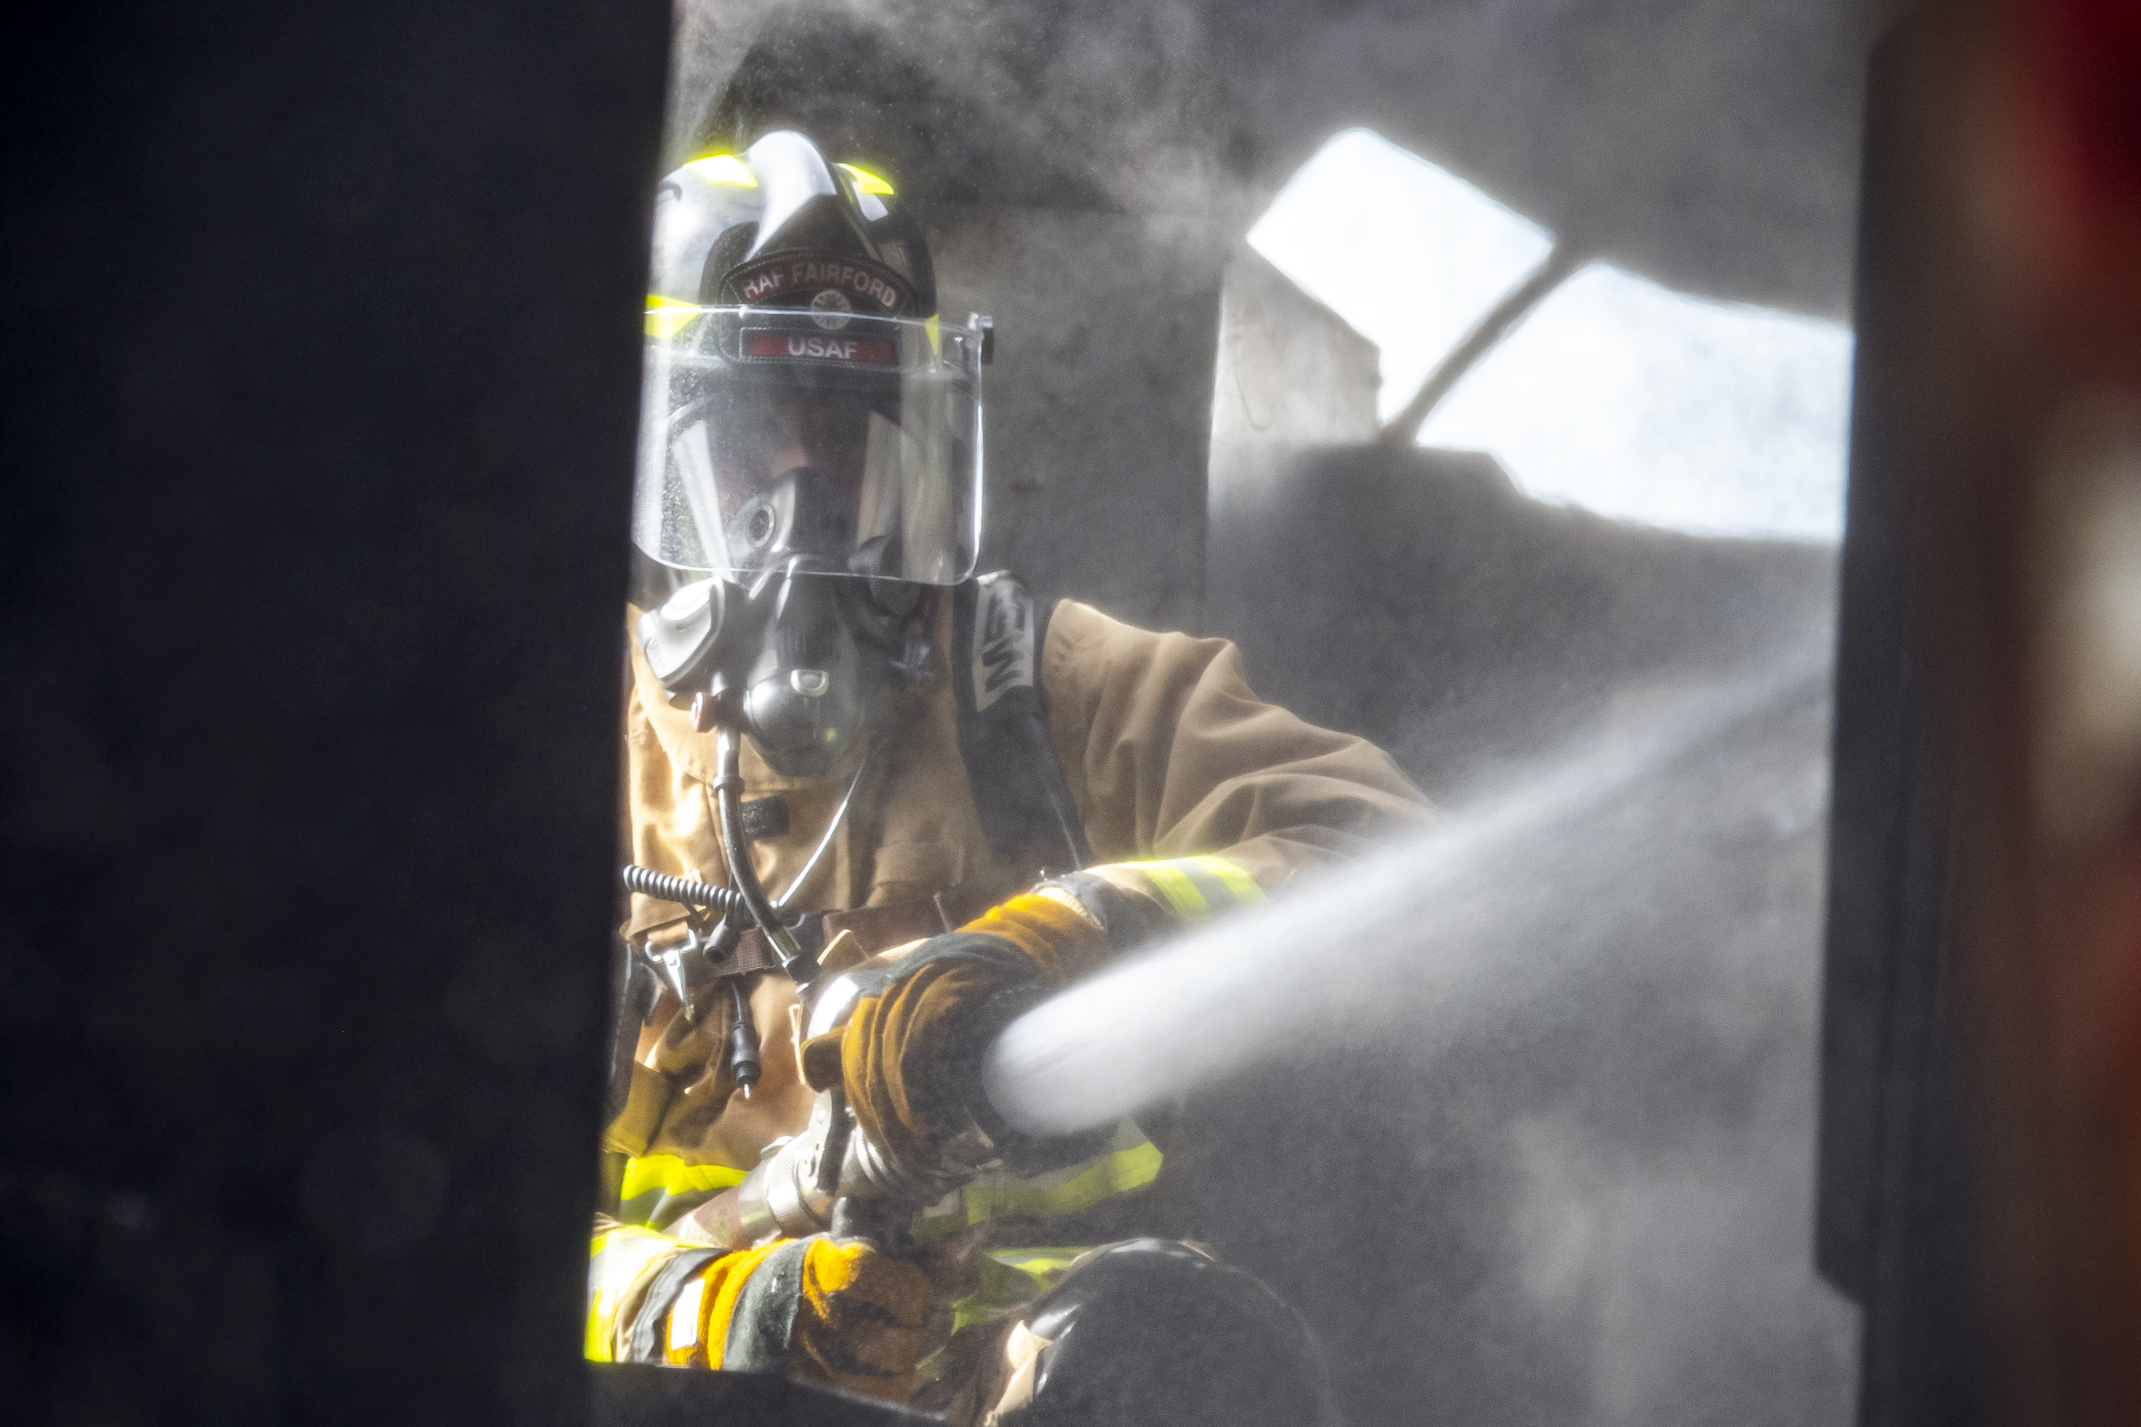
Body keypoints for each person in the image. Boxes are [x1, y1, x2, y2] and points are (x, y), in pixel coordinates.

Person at [586, 129, 1427, 1424]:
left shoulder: (1044, 689)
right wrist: (720, 1316)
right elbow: (431, 1215)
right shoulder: (577, 749)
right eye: (763, 429)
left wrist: (1060, 944)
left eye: (857, 428)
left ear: (926, 439)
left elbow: (1387, 864)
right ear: (664, 446)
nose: (812, 483)